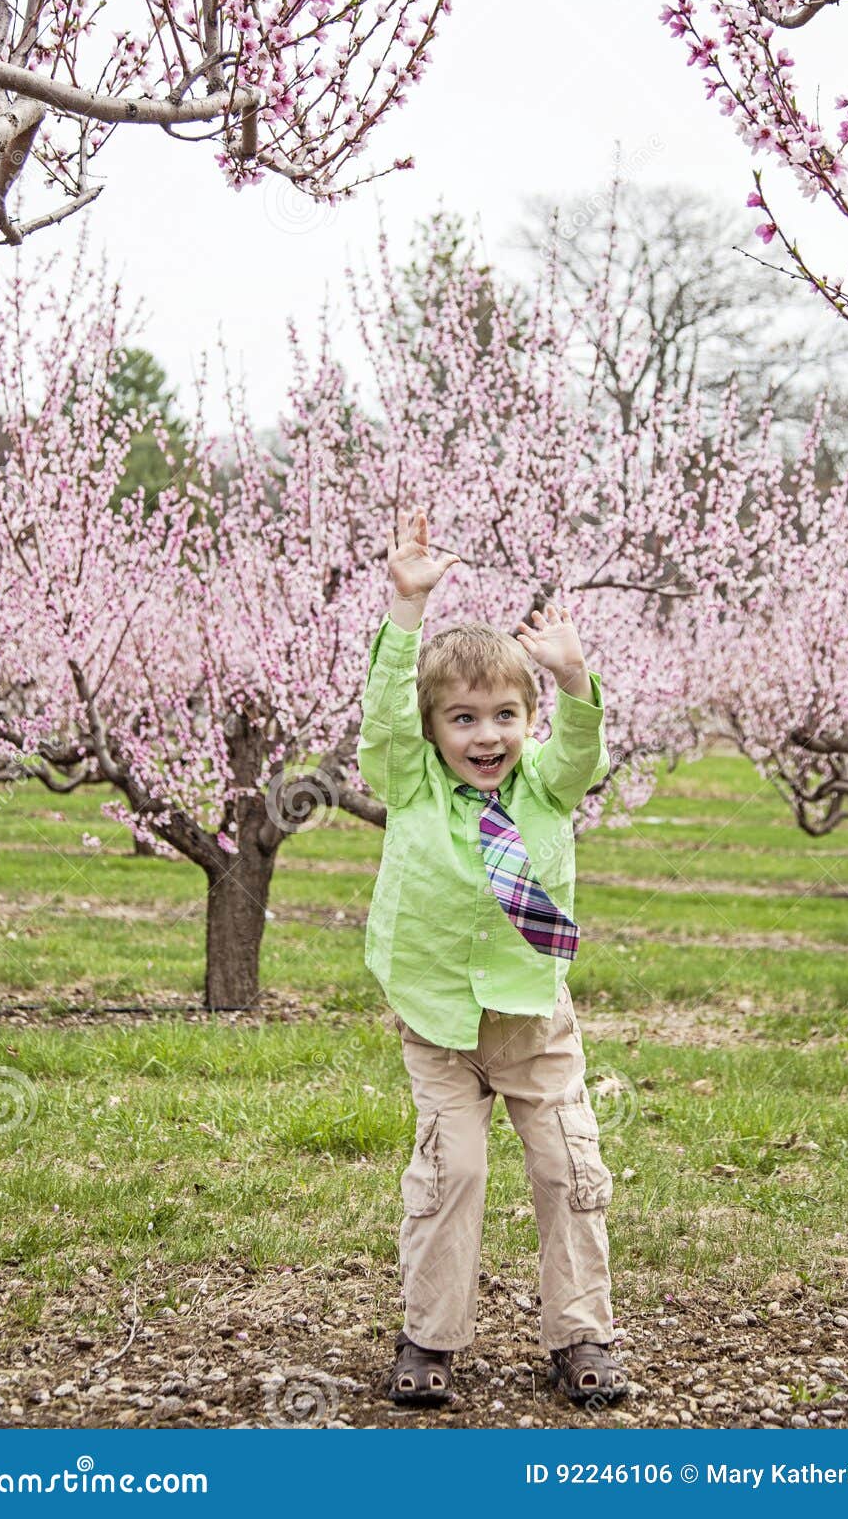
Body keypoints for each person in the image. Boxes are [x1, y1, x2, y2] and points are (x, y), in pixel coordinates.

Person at [356, 503, 629, 1410]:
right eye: (463, 719)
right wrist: (406, 611)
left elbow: (580, 745)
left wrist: (576, 678)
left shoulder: (547, 785)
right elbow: (385, 716)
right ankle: (428, 1339)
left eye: (505, 715)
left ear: (527, 719)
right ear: (434, 731)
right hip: (438, 1021)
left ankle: (581, 1331)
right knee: (452, 1172)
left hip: (533, 1020)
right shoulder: (409, 782)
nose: (485, 736)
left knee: (566, 1166)